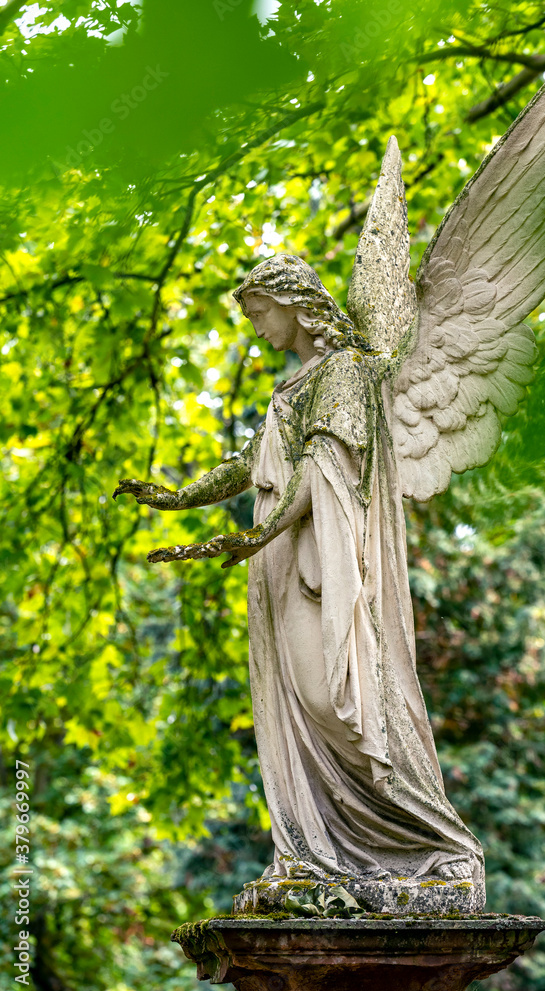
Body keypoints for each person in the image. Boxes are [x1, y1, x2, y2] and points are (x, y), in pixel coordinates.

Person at [114, 254, 484, 884]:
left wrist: (260, 531)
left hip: (319, 560)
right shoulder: (297, 382)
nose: (256, 327)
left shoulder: (344, 372)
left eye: (258, 311)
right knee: (301, 706)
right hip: (282, 560)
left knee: (334, 700)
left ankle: (437, 842)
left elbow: (323, 469)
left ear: (291, 302)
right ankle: (324, 856)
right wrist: (178, 498)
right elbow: (252, 460)